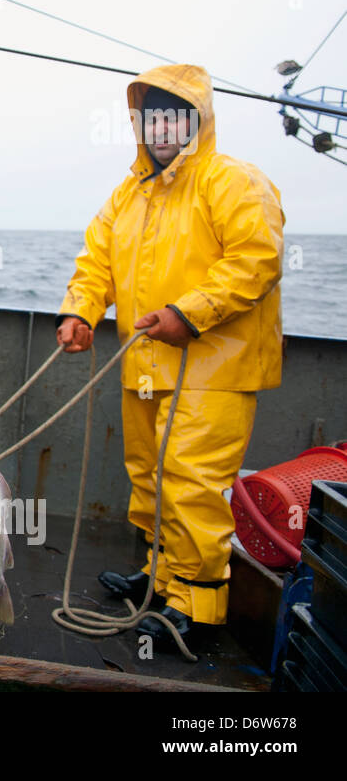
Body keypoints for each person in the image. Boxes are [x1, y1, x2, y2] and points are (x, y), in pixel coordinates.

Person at [56, 63, 284, 655]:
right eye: (150, 117)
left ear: (197, 121)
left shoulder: (234, 181)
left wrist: (190, 313)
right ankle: (162, 581)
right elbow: (95, 261)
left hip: (216, 370)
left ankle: (200, 607)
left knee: (192, 484)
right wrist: (79, 311)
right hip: (148, 366)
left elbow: (255, 262)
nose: (160, 128)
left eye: (173, 117)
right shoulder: (127, 195)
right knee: (150, 478)